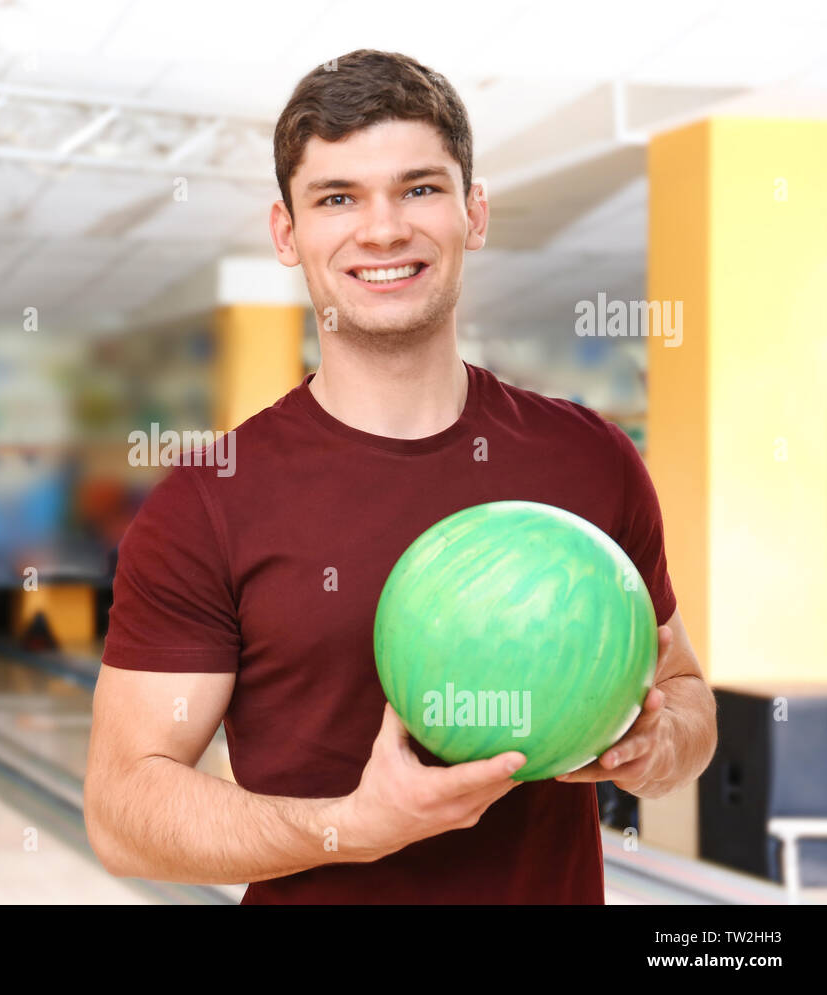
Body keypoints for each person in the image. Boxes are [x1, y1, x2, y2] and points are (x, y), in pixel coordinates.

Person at [84, 49, 716, 904]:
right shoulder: (210, 502)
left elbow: (683, 695)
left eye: (419, 188)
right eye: (337, 197)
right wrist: (351, 824)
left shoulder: (590, 458)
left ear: (473, 211)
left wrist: (655, 743)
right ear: (286, 232)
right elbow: (123, 809)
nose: (382, 230)